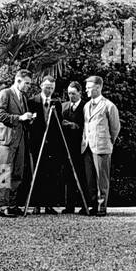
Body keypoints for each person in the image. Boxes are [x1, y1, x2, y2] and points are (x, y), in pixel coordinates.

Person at [0, 69, 36, 217]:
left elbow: (22, 117)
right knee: (4, 172)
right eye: (27, 83)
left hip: (20, 139)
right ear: (18, 80)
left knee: (17, 173)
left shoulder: (23, 97)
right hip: (5, 139)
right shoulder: (5, 94)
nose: (28, 86)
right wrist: (20, 118)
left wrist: (29, 118)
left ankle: (13, 204)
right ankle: (4, 206)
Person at [80, 75, 121, 216]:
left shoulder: (109, 106)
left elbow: (115, 128)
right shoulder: (86, 106)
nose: (86, 90)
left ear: (98, 88)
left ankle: (101, 206)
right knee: (90, 178)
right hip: (87, 147)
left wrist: (108, 141)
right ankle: (92, 205)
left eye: (89, 88)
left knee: (101, 179)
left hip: (102, 146)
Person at [27, 74, 67, 214]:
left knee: (51, 173)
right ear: (41, 86)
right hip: (37, 143)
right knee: (37, 173)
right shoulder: (32, 101)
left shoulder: (57, 103)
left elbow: (59, 123)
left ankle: (49, 204)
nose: (49, 90)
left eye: (51, 88)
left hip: (53, 145)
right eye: (47, 87)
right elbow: (28, 123)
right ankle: (37, 205)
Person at [59, 81, 86, 214]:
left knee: (82, 176)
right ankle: (69, 205)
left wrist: (76, 126)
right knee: (68, 176)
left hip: (81, 147)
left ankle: (84, 205)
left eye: (74, 94)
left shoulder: (85, 107)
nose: (71, 96)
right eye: (69, 93)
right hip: (66, 147)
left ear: (80, 93)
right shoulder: (63, 107)